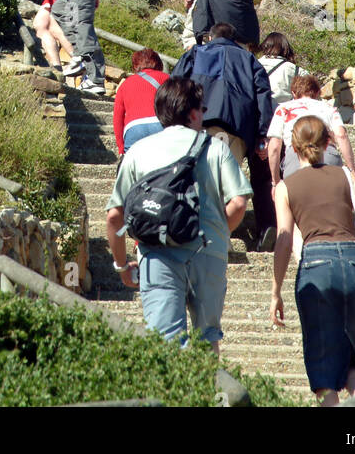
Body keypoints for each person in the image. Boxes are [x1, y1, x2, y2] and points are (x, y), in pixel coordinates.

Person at [106, 77, 251, 352]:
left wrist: (122, 265)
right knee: (207, 339)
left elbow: (115, 216)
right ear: (194, 113)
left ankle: (173, 395)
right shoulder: (215, 148)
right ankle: (206, 394)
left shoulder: (137, 152)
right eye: (203, 110)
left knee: (165, 343)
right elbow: (239, 203)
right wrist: (219, 233)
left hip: (156, 254)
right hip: (208, 254)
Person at [271, 114, 355, 407]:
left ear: (292, 147)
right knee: (350, 355)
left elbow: (284, 238)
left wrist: (275, 290)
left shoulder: (286, 187)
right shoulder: (347, 175)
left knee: (323, 362)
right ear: (328, 143)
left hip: (316, 266)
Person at [173, 21, 274, 250]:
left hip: (198, 122)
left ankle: (199, 234)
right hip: (237, 128)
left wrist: (175, 121)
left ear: (210, 37)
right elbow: (263, 96)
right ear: (235, 39)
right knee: (225, 181)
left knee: (199, 178)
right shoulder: (249, 60)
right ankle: (219, 237)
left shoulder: (196, 53)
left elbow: (176, 84)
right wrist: (261, 133)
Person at [267, 73, 355, 185]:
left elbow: (274, 146)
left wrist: (275, 181)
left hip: (296, 157)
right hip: (328, 155)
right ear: (318, 92)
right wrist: (352, 171)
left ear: (293, 93)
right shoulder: (328, 108)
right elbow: (341, 135)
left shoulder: (283, 109)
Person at [113, 48, 171, 156]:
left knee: (134, 170)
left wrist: (121, 148)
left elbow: (117, 118)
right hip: (161, 124)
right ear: (158, 63)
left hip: (134, 128)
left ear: (135, 65)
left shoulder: (125, 84)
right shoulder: (167, 78)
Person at [258, 32, 310, 108]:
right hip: (284, 113)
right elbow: (311, 89)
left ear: (265, 46)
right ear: (285, 48)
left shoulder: (254, 64)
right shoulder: (294, 69)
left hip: (259, 111)